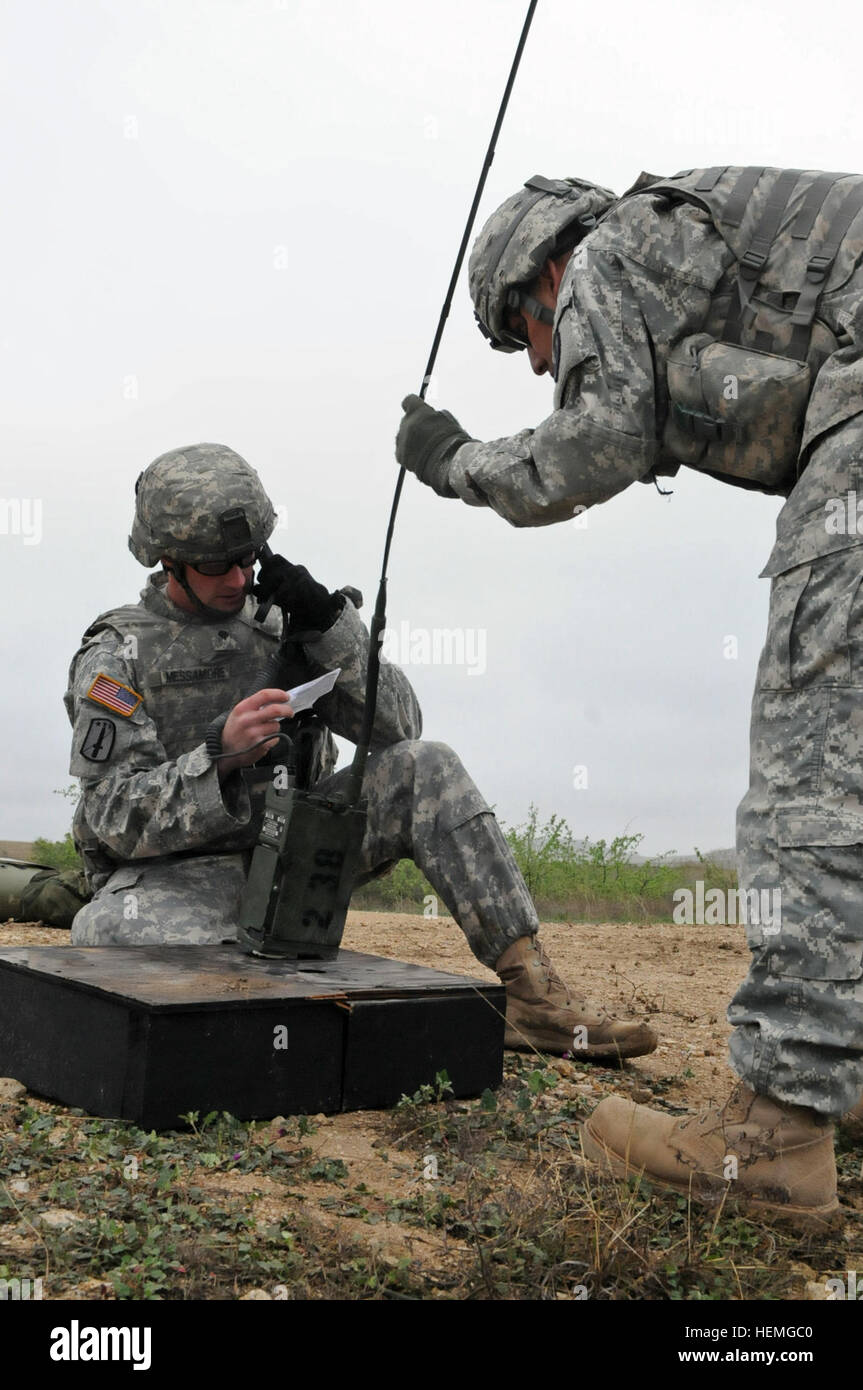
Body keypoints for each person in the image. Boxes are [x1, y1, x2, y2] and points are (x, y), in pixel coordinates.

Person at [395, 166, 863, 1222]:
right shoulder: (692, 246)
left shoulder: (607, 252)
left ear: (543, 270)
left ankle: (775, 1131)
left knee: (815, 771)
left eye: (526, 332)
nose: (540, 359)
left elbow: (590, 444)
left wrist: (455, 459)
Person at [64, 442, 657, 1062]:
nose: (239, 579)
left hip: (291, 856)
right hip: (182, 881)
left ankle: (534, 998)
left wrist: (329, 624)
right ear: (169, 559)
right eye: (217, 566)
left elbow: (402, 725)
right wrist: (220, 757)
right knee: (109, 931)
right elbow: (110, 815)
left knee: (428, 766)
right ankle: (262, 1003)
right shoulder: (116, 655)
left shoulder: (282, 618)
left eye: (247, 559)